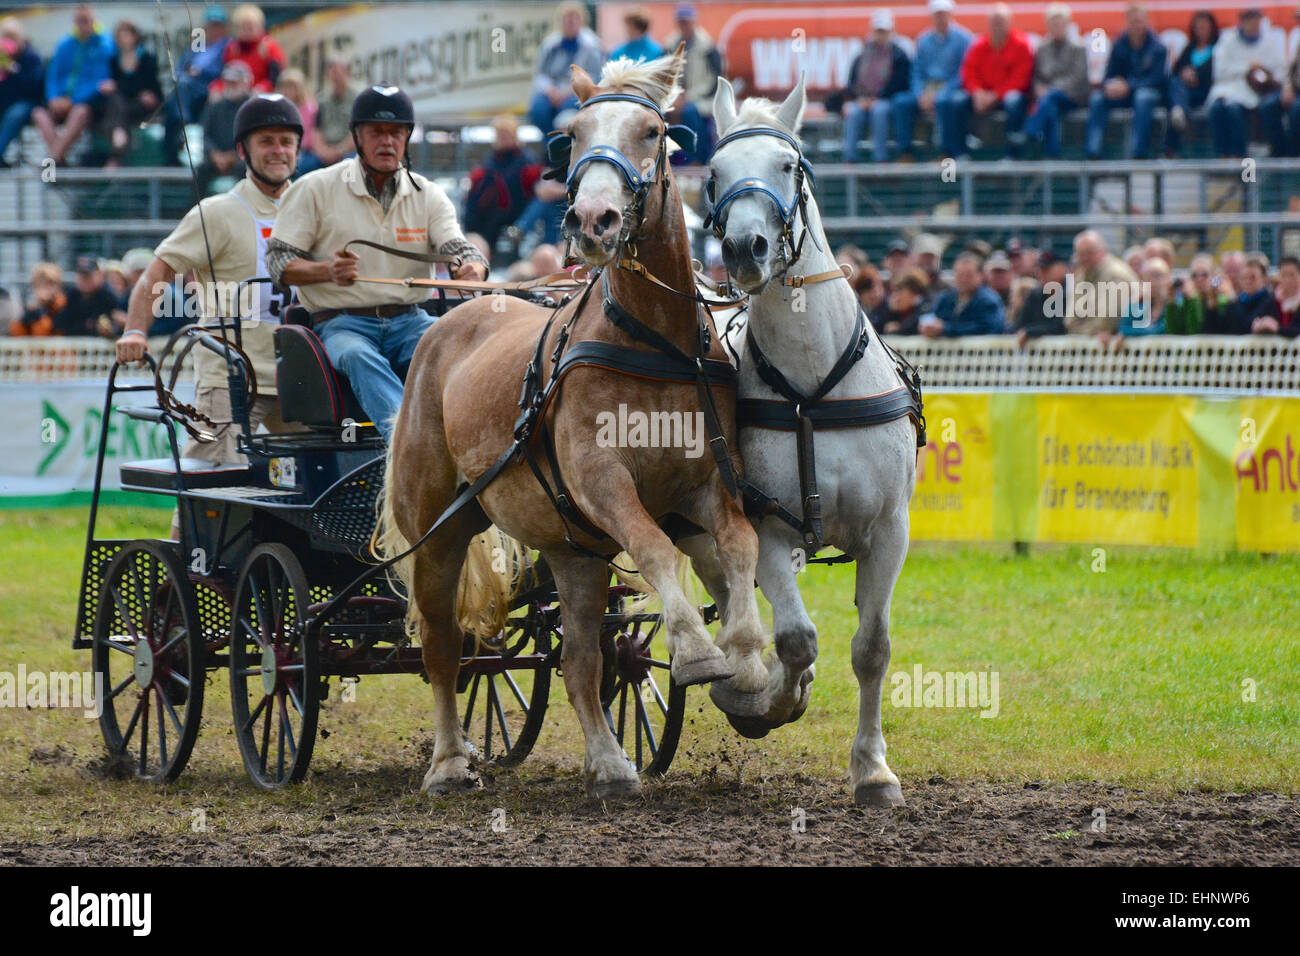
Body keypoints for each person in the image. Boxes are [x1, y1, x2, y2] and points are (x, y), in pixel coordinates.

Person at [116, 94, 305, 519]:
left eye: (286, 141)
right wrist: (135, 330)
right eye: (266, 141)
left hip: (298, 378)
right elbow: (156, 273)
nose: (278, 150)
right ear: (243, 151)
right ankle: (183, 577)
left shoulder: (313, 207)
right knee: (210, 497)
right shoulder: (217, 212)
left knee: (315, 490)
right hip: (230, 379)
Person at [266, 85, 489, 441]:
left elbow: (460, 248)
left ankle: (476, 439)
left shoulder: (428, 195)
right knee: (357, 355)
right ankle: (411, 444)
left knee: (461, 348)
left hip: (411, 321)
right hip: (341, 325)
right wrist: (326, 271)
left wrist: (471, 268)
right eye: (377, 133)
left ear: (406, 138)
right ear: (357, 137)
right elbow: (278, 261)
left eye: (396, 133)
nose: (387, 141)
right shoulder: (314, 188)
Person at [941, 4, 1033, 159]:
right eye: (994, 22)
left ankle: (1013, 154)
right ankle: (959, 153)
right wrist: (977, 93)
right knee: (956, 101)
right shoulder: (979, 45)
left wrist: (996, 95)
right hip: (982, 96)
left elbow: (1021, 78)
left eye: (1001, 21)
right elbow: (968, 72)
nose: (997, 26)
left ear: (1009, 23)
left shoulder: (1021, 45)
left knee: (1014, 100)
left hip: (1005, 97)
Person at [32, 3, 115, 166]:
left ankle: (52, 160)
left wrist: (73, 100)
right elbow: (53, 75)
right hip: (61, 100)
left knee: (80, 112)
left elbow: (99, 81)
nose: (83, 25)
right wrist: (53, 98)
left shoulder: (103, 45)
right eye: (79, 21)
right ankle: (59, 159)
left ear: (93, 21)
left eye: (86, 20)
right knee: (39, 114)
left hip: (84, 103)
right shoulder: (65, 45)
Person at [1085, 3, 1168, 160]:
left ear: (1146, 21)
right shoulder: (1119, 45)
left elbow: (1158, 80)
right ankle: (1092, 152)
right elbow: (1108, 75)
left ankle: (1138, 152)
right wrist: (1111, 86)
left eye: (1139, 21)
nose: (1136, 25)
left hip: (1148, 93)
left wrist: (1129, 86)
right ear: (1127, 22)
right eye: (1132, 21)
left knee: (1143, 97)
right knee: (1097, 99)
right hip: (1122, 94)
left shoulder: (1158, 47)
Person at [1206, 8, 1287, 158]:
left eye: (1256, 20)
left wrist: (1261, 70)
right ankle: (1221, 157)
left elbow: (1279, 70)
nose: (1253, 24)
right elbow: (1220, 71)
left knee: (1234, 110)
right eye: (1249, 20)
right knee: (1217, 109)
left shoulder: (1269, 41)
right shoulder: (1227, 41)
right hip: (1227, 88)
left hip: (1253, 92)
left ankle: (1239, 158)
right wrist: (1247, 67)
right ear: (1242, 22)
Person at [836, 10, 914, 164]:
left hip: (886, 100)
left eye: (884, 31)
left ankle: (880, 160)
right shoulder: (862, 54)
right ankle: (849, 160)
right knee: (852, 113)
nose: (881, 35)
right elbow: (852, 82)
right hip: (864, 100)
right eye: (879, 31)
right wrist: (861, 98)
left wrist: (878, 98)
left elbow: (900, 83)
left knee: (879, 112)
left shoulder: (899, 55)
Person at [161, 4, 229, 166]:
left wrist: (199, 73)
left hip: (208, 90)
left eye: (218, 25)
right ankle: (178, 135)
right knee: (179, 89)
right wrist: (188, 74)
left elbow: (221, 70)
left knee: (181, 90)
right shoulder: (198, 46)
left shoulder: (227, 46)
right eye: (212, 25)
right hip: (189, 90)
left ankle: (182, 124)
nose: (214, 30)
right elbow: (179, 71)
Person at [463, 114, 542, 252]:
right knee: (476, 213)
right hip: (494, 207)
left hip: (517, 207)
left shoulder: (525, 158)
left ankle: (486, 253)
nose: (502, 138)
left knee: (491, 221)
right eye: (499, 134)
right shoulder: (492, 158)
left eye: (505, 134)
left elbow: (530, 188)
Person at [1020, 4, 1089, 158]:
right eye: (1053, 24)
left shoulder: (1078, 47)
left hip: (1073, 96)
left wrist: (1049, 89)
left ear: (1067, 25)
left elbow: (1077, 78)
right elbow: (1037, 75)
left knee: (1049, 98)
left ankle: (1030, 131)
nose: (1056, 27)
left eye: (1060, 23)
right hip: (1048, 100)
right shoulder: (1042, 49)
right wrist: (1039, 88)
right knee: (1050, 107)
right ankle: (1052, 154)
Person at [528, 2, 604, 134]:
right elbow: (540, 75)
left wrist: (566, 93)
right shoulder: (551, 44)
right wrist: (550, 91)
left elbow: (594, 75)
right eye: (567, 18)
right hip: (553, 91)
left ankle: (567, 147)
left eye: (575, 18)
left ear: (582, 20)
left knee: (568, 111)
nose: (571, 21)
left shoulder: (591, 45)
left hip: (576, 91)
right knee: (538, 109)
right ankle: (550, 146)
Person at [664, 3, 723, 163]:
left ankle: (695, 159)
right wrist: (674, 96)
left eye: (686, 21)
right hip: (675, 98)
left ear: (693, 21)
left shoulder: (707, 45)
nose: (684, 25)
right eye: (681, 21)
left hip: (702, 98)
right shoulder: (671, 44)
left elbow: (714, 81)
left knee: (690, 112)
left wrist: (688, 97)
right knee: (660, 114)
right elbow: (666, 75)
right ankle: (668, 161)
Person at [915, 0, 973, 161]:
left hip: (953, 89)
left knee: (947, 102)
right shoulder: (923, 40)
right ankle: (906, 154)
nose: (940, 18)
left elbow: (964, 71)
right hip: (928, 89)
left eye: (943, 14)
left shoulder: (964, 38)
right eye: (937, 14)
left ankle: (949, 153)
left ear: (950, 14)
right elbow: (917, 71)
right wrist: (920, 94)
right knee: (902, 103)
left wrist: (942, 92)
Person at [104, 19, 161, 167]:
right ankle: (119, 148)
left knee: (119, 105)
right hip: (124, 104)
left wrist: (123, 88)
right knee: (117, 102)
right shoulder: (113, 61)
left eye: (127, 35)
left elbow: (150, 87)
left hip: (142, 106)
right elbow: (124, 87)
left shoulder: (146, 58)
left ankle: (116, 154)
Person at [1070, 229, 1139, 342]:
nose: (1085, 258)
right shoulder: (1082, 275)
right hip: (1090, 342)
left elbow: (1108, 320)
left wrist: (1082, 335)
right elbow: (1071, 319)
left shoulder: (1116, 274)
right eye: (1081, 254)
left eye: (1090, 253)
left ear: (1103, 251)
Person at [1167, 11, 1219, 154]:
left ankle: (1179, 110)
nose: (1201, 30)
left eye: (1204, 26)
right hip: (1187, 92)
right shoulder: (1189, 48)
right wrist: (1184, 74)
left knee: (1176, 100)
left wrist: (1197, 76)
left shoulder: (1218, 48)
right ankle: (1179, 111)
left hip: (1207, 91)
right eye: (1198, 27)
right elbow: (1176, 71)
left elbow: (1218, 72)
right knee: (1175, 85)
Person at [924, 252, 1006, 336]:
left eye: (969, 275)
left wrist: (946, 329)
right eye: (959, 275)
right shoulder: (945, 298)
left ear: (981, 275)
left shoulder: (989, 301)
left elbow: (989, 328)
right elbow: (932, 318)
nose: (963, 279)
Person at [210, 4, 284, 98]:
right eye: (242, 27)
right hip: (235, 93)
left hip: (259, 94)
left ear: (259, 26)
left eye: (250, 27)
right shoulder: (232, 48)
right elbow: (224, 76)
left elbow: (275, 79)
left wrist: (262, 87)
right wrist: (217, 87)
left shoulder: (268, 47)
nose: (246, 31)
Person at [201, 61, 253, 191]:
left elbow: (254, 138)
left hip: (242, 159)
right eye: (228, 82)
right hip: (216, 157)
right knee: (202, 169)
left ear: (245, 82)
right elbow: (206, 135)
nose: (230, 86)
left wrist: (234, 155)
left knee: (245, 169)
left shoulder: (253, 107)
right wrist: (214, 154)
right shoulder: (215, 107)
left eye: (234, 82)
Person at [0, 19, 45, 168]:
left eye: (12, 37)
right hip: (6, 101)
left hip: (27, 102)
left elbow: (34, 87)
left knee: (14, 115)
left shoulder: (32, 57)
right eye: (6, 37)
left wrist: (14, 72)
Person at [1012, 250, 1069, 345]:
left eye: (1046, 269)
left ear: (1062, 269)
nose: (1041, 273)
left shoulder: (1072, 293)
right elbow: (1019, 324)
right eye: (1040, 269)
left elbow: (1062, 325)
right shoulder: (1035, 295)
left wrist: (1030, 332)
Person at [60, 256, 125, 337]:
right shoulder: (71, 295)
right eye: (81, 275)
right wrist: (91, 325)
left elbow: (118, 322)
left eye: (88, 275)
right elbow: (63, 324)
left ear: (99, 276)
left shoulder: (108, 296)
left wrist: (111, 329)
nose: (85, 279)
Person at [1215, 253, 1280, 333]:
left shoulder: (1270, 300)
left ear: (1264, 278)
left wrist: (1232, 299)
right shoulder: (1239, 300)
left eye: (1252, 277)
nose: (1248, 281)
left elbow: (1247, 326)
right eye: (1244, 277)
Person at [313, 57, 360, 168]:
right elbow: (316, 130)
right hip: (326, 150)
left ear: (347, 73)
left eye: (339, 71)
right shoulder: (321, 99)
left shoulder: (357, 99)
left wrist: (339, 151)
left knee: (349, 166)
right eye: (332, 71)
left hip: (348, 151)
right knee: (304, 164)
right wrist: (322, 151)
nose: (336, 75)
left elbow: (358, 132)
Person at [1165, 253, 1229, 334]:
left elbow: (1196, 332)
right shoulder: (1183, 301)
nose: (1199, 279)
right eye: (1194, 275)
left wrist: (1192, 300)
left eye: (1204, 275)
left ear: (1214, 276)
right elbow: (1173, 332)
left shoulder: (1221, 299)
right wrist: (1171, 302)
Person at [275, 68, 319, 173]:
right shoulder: (278, 109)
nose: (288, 90)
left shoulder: (310, 109)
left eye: (291, 87)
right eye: (285, 86)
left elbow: (310, 135)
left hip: (304, 150)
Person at [10, 263, 68, 337]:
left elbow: (44, 333)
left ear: (58, 286)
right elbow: (16, 333)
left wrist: (41, 314)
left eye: (50, 284)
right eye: (40, 284)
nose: (45, 289)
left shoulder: (64, 306)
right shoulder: (32, 308)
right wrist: (23, 320)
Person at [1118, 256, 1171, 337]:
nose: (1153, 282)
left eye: (1158, 276)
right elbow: (1124, 328)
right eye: (1148, 277)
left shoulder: (1174, 304)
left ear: (1168, 279)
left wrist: (1133, 333)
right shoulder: (1139, 304)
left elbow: (1164, 329)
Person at [871, 268, 929, 334]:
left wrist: (900, 328)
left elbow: (914, 327)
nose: (895, 296)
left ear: (913, 294)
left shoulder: (925, 308)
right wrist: (890, 312)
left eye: (899, 291)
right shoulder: (886, 308)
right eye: (894, 291)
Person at [1271, 255, 1300, 333]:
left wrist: (1277, 329)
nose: (1288, 280)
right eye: (1284, 275)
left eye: (1292, 275)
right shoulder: (1272, 300)